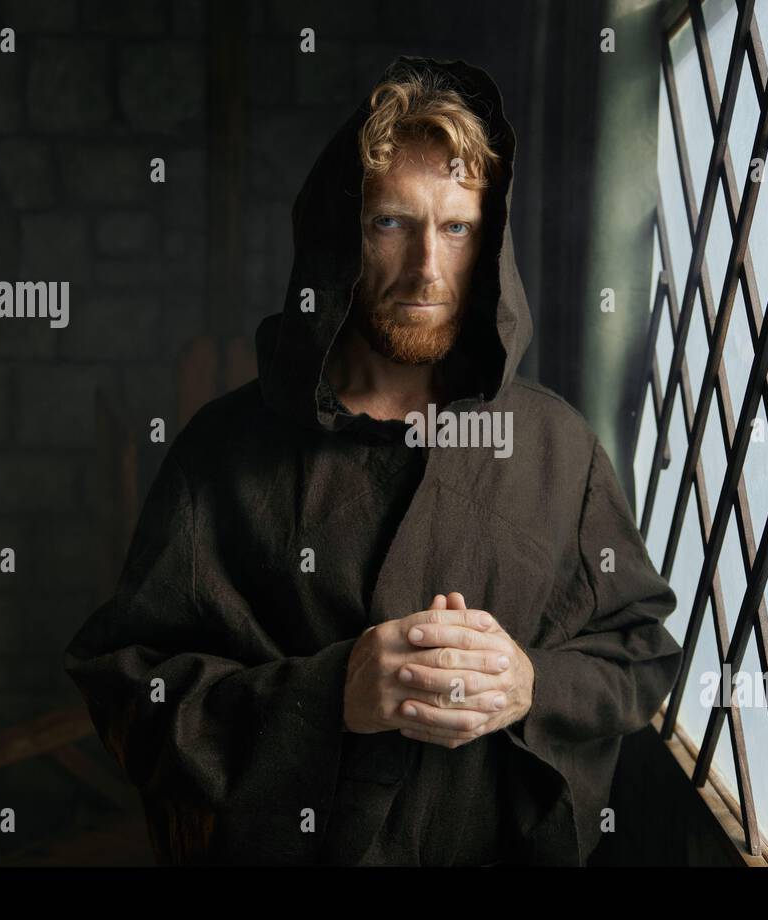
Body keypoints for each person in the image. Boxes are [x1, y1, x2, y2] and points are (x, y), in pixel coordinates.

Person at [64, 55, 682, 866]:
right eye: (392, 222)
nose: (429, 267)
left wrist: (532, 686)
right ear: (340, 237)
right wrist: (328, 699)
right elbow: (129, 695)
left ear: (487, 241)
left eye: (457, 227)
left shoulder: (558, 450)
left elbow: (638, 653)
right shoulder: (222, 453)